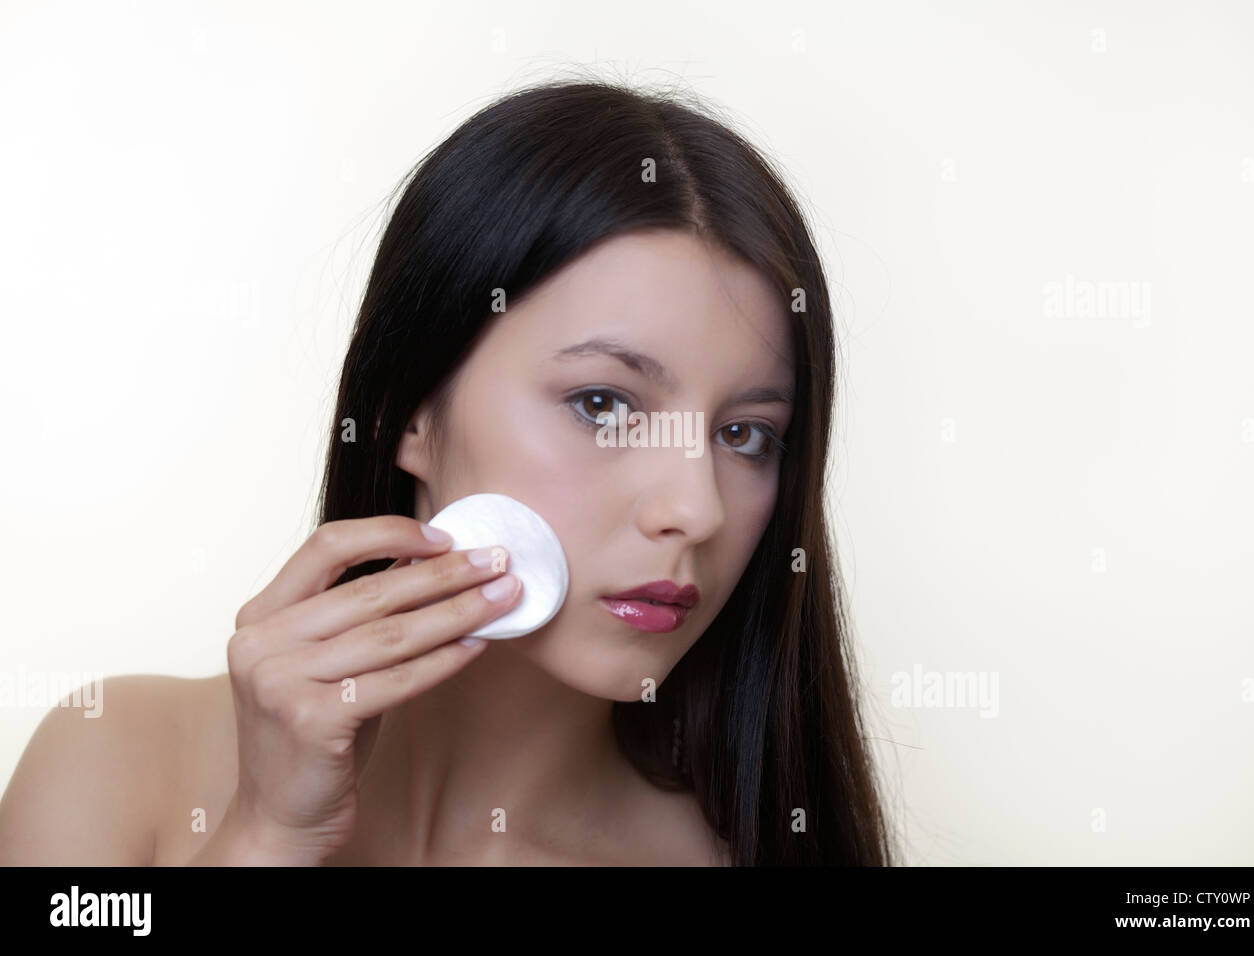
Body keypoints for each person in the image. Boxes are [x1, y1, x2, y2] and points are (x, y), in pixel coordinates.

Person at [0, 78, 894, 866]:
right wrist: (265, 838)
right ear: (406, 416)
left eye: (744, 435)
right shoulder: (111, 762)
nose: (694, 507)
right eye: (603, 406)